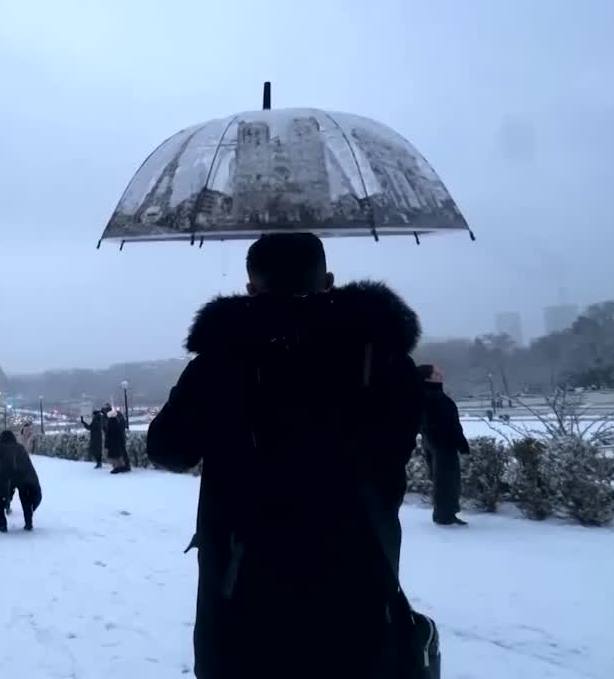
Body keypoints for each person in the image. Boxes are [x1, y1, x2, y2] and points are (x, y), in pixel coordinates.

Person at [145, 233, 425, 678]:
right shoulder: (384, 356)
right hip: (356, 566)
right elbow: (397, 443)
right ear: (328, 281)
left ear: (251, 288)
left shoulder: (220, 361)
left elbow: (168, 449)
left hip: (247, 577)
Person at [419, 365, 470, 526]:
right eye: (436, 373)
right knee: (446, 479)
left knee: (444, 478)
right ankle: (444, 515)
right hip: (441, 443)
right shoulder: (433, 397)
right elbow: (448, 423)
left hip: (435, 442)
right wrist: (460, 443)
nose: (440, 373)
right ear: (427, 378)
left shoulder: (430, 395)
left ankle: (445, 513)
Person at [0, 430, 42, 532]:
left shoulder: (0, 448)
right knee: (26, 500)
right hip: (23, 477)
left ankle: (2, 526)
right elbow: (28, 465)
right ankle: (28, 524)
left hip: (5, 478)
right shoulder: (20, 448)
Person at [103, 405, 130, 473]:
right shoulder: (116, 418)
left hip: (115, 441)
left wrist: (107, 443)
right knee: (120, 453)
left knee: (115, 455)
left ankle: (119, 467)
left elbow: (108, 433)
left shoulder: (111, 421)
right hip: (119, 439)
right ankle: (124, 466)